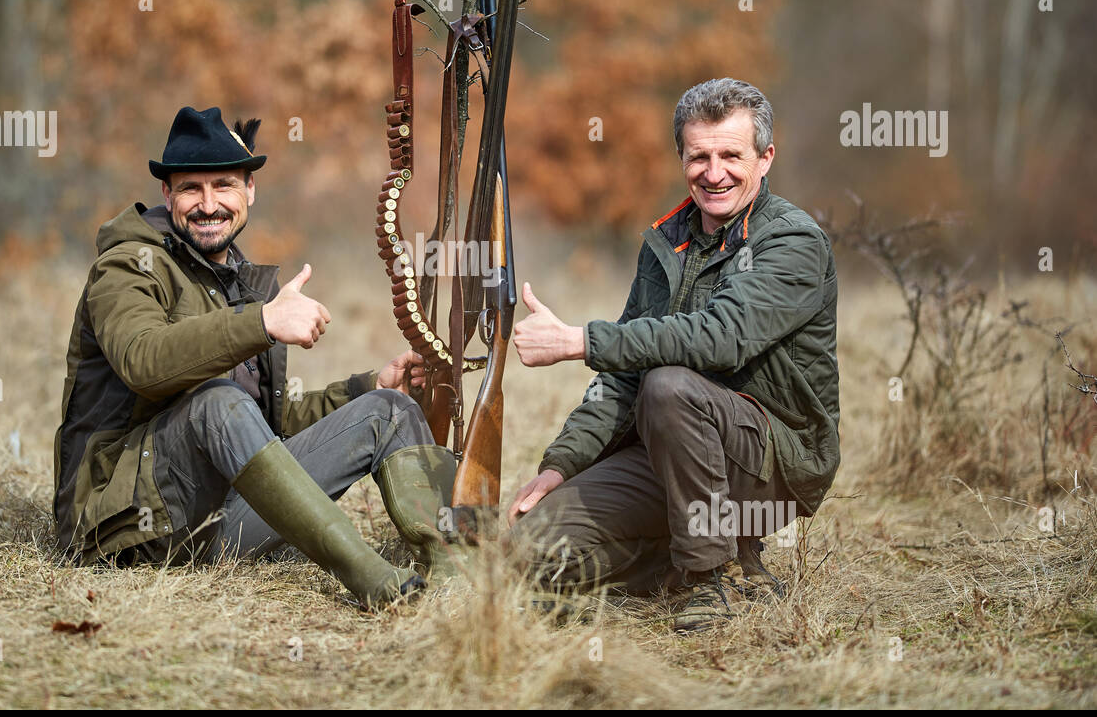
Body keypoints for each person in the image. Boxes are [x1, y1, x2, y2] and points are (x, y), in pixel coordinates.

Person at [53, 105, 459, 608]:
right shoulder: (127, 267)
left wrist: (365, 387)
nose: (208, 204)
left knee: (389, 411)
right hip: (132, 529)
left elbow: (260, 424)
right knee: (216, 402)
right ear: (167, 194)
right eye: (190, 189)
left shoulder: (236, 279)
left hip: (219, 521)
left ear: (250, 190)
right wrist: (262, 322)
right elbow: (143, 361)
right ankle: (375, 581)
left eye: (223, 185)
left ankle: (453, 574)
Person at [507, 78, 840, 632]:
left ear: (765, 158)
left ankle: (711, 577)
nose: (714, 173)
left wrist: (579, 341)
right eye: (698, 156)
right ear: (681, 157)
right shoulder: (666, 240)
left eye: (731, 155)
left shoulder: (792, 243)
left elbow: (720, 335)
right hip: (672, 449)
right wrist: (560, 465)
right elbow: (621, 378)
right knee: (530, 549)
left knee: (668, 385)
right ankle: (688, 557)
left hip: (774, 462)